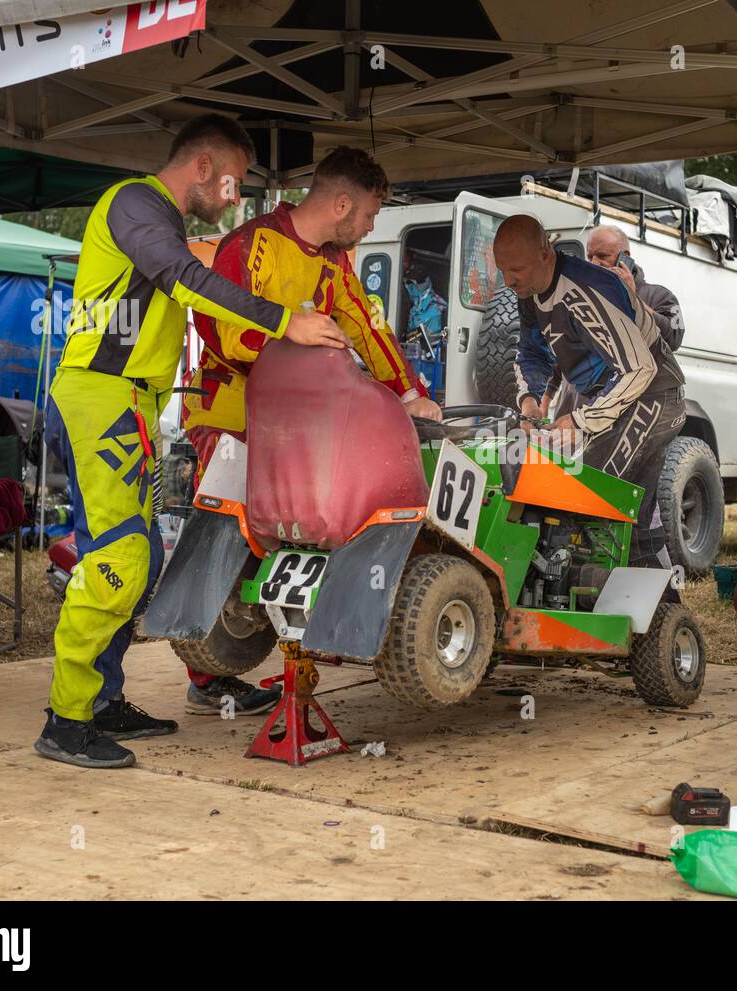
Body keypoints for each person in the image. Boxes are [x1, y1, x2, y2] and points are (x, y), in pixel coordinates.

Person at [39, 114, 349, 769]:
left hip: (131, 401)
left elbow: (188, 277)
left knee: (142, 556)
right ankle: (66, 719)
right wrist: (283, 321)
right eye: (236, 179)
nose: (237, 197)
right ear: (204, 166)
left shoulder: (160, 220)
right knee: (119, 558)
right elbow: (183, 278)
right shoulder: (134, 204)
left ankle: (102, 699)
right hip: (101, 394)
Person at [179, 145, 440, 715]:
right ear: (342, 203)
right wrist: (289, 340)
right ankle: (209, 674)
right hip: (228, 416)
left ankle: (307, 641)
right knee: (232, 533)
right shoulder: (248, 245)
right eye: (369, 215)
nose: (370, 227)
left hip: (300, 427)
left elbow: (368, 325)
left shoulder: (334, 262)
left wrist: (409, 395)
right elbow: (219, 330)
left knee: (310, 523)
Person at [494, 214, 686, 578]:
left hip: (654, 394)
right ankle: (659, 608)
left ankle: (582, 597)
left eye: (516, 269)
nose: (509, 280)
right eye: (502, 270)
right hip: (621, 395)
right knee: (636, 514)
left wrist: (582, 420)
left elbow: (639, 369)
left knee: (586, 495)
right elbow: (533, 353)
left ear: (545, 254)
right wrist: (530, 400)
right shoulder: (530, 290)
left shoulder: (587, 290)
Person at [546, 225, 685, 418]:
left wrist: (632, 299)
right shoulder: (578, 298)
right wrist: (544, 400)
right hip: (573, 415)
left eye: (602, 256)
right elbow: (560, 354)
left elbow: (674, 338)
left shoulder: (659, 296)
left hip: (626, 416)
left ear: (624, 257)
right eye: (590, 256)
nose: (594, 263)